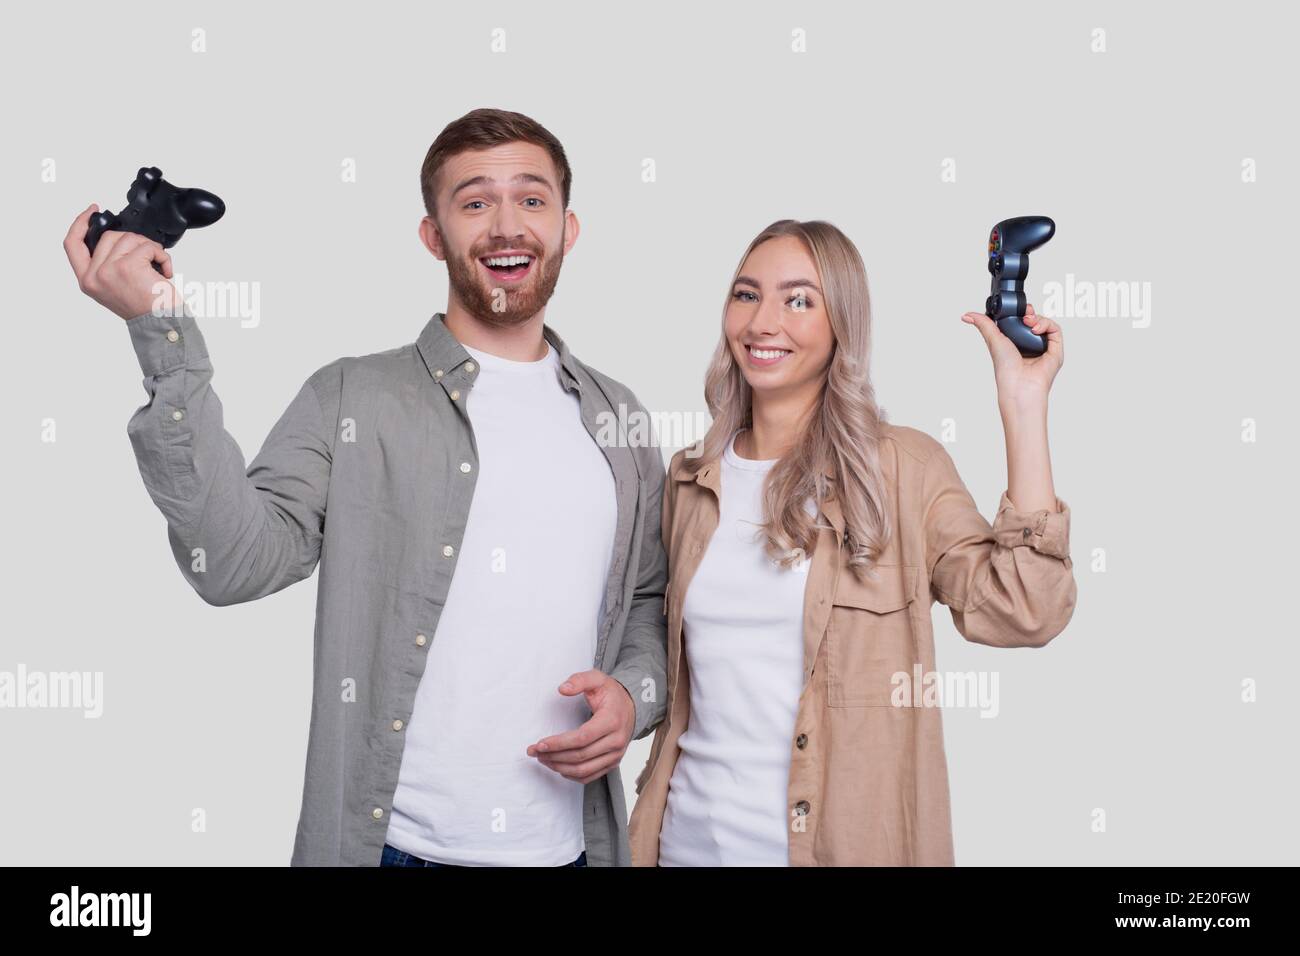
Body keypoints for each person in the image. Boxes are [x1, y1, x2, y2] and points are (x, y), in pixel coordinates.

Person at [63, 108, 668, 867]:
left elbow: (649, 603)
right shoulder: (352, 396)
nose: (507, 225)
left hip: (573, 851)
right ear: (433, 235)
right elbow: (234, 563)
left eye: (532, 199)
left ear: (568, 228)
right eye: (475, 202)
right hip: (390, 851)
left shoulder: (620, 419)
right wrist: (162, 331)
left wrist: (632, 696)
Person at [627, 219, 1077, 866]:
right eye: (747, 294)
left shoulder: (902, 470)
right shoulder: (689, 479)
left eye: (800, 299)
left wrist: (1023, 403)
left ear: (844, 324)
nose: (763, 322)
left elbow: (1025, 609)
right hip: (680, 849)